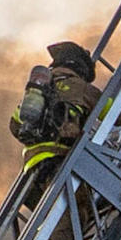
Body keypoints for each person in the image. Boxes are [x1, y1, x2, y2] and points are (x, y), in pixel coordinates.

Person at [11, 38, 100, 177]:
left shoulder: (40, 90)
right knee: (86, 197)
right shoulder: (81, 88)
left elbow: (15, 125)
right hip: (60, 162)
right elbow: (118, 114)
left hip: (31, 166)